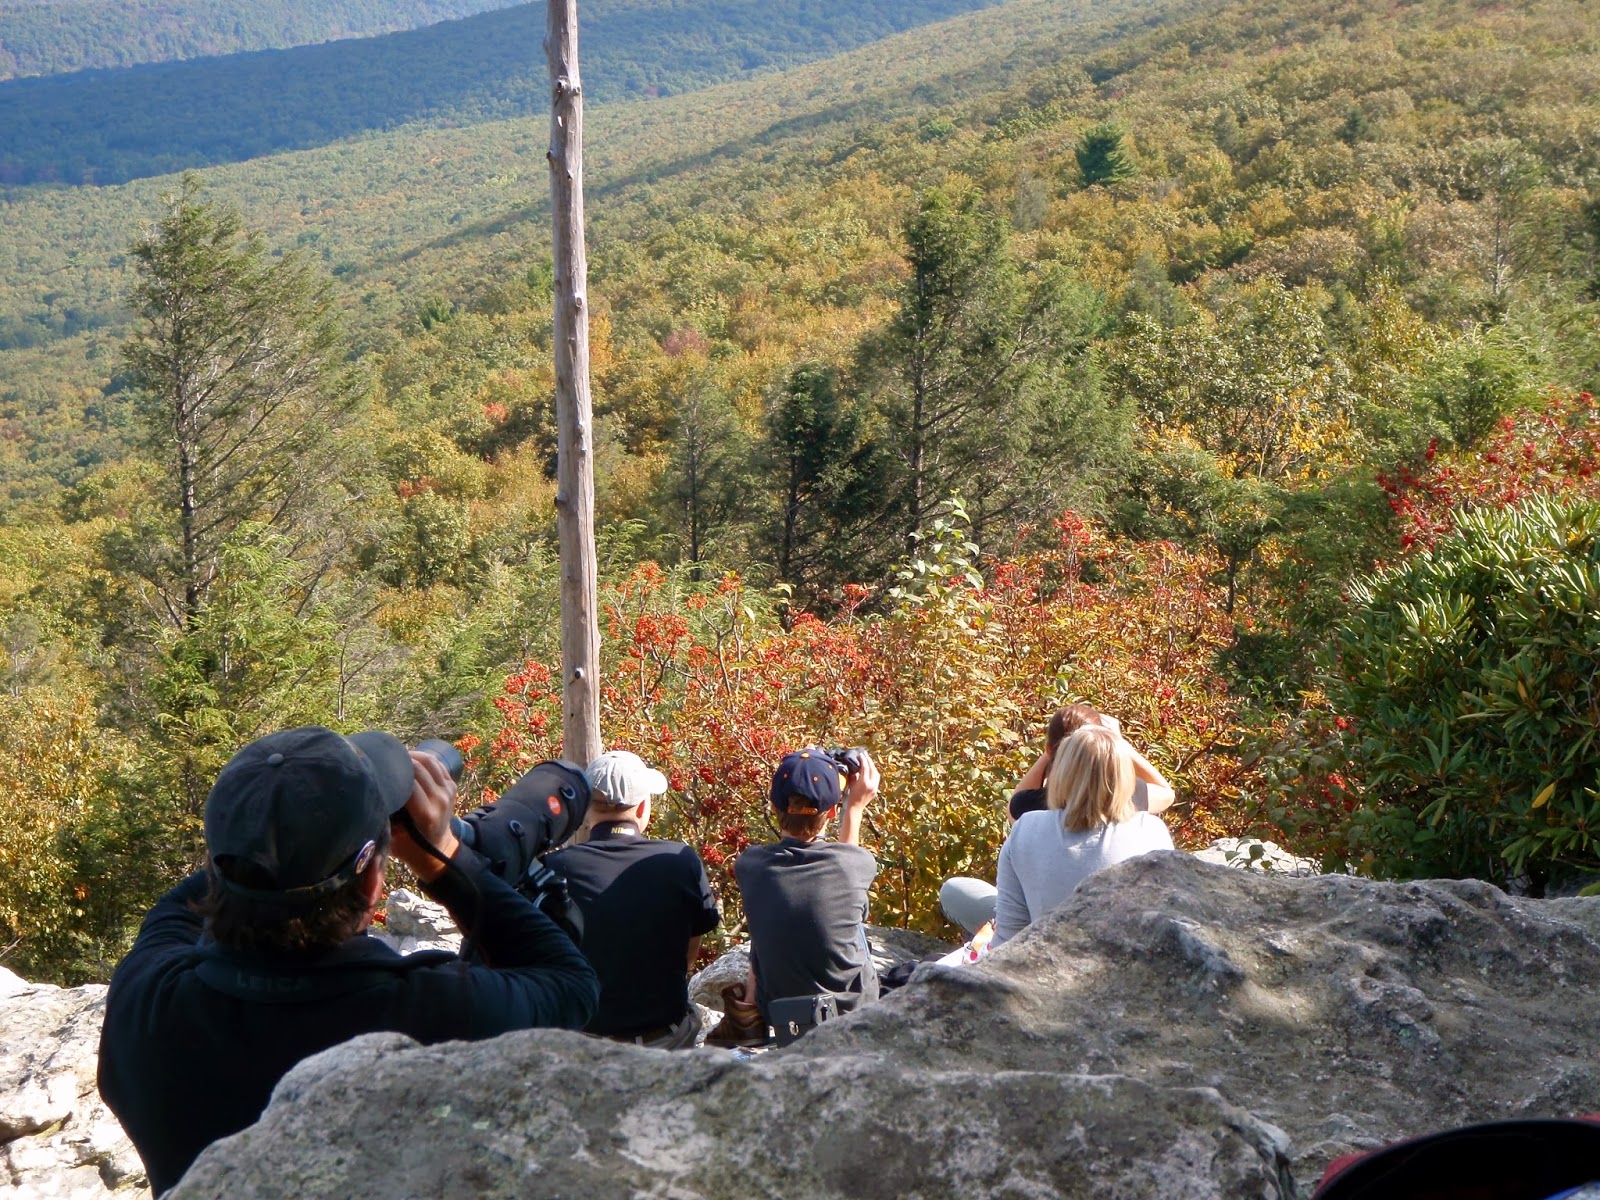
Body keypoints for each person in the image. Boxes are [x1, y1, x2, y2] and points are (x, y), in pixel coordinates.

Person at [97, 726, 599, 1196]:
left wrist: (279, 814)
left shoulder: (146, 1004)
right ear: (372, 885)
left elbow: (178, 908)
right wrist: (441, 853)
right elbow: (570, 982)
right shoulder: (427, 1016)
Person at [939, 703, 1175, 937]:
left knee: (953, 890)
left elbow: (1014, 804)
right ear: (1119, 765)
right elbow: (1166, 793)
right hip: (1120, 956)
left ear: (1054, 753)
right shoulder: (1150, 828)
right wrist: (1118, 744)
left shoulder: (1029, 821)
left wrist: (1049, 753)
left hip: (1037, 947)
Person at [544, 750, 720, 1049]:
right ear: (641, 808)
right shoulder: (679, 860)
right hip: (665, 1039)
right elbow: (690, 949)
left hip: (581, 1044)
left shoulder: (555, 867)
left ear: (587, 807)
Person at [720, 747, 880, 1041]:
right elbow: (842, 867)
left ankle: (749, 1008)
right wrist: (854, 809)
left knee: (770, 915)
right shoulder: (857, 863)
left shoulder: (750, 865)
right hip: (852, 1013)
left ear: (773, 807)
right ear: (832, 811)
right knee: (854, 923)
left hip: (781, 1014)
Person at [992, 723, 1174, 945]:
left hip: (1040, 965)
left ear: (1062, 772)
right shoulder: (1151, 831)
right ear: (1125, 775)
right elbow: (1165, 920)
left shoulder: (1026, 828)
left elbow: (1009, 937)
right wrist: (1122, 745)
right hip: (1123, 968)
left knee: (958, 891)